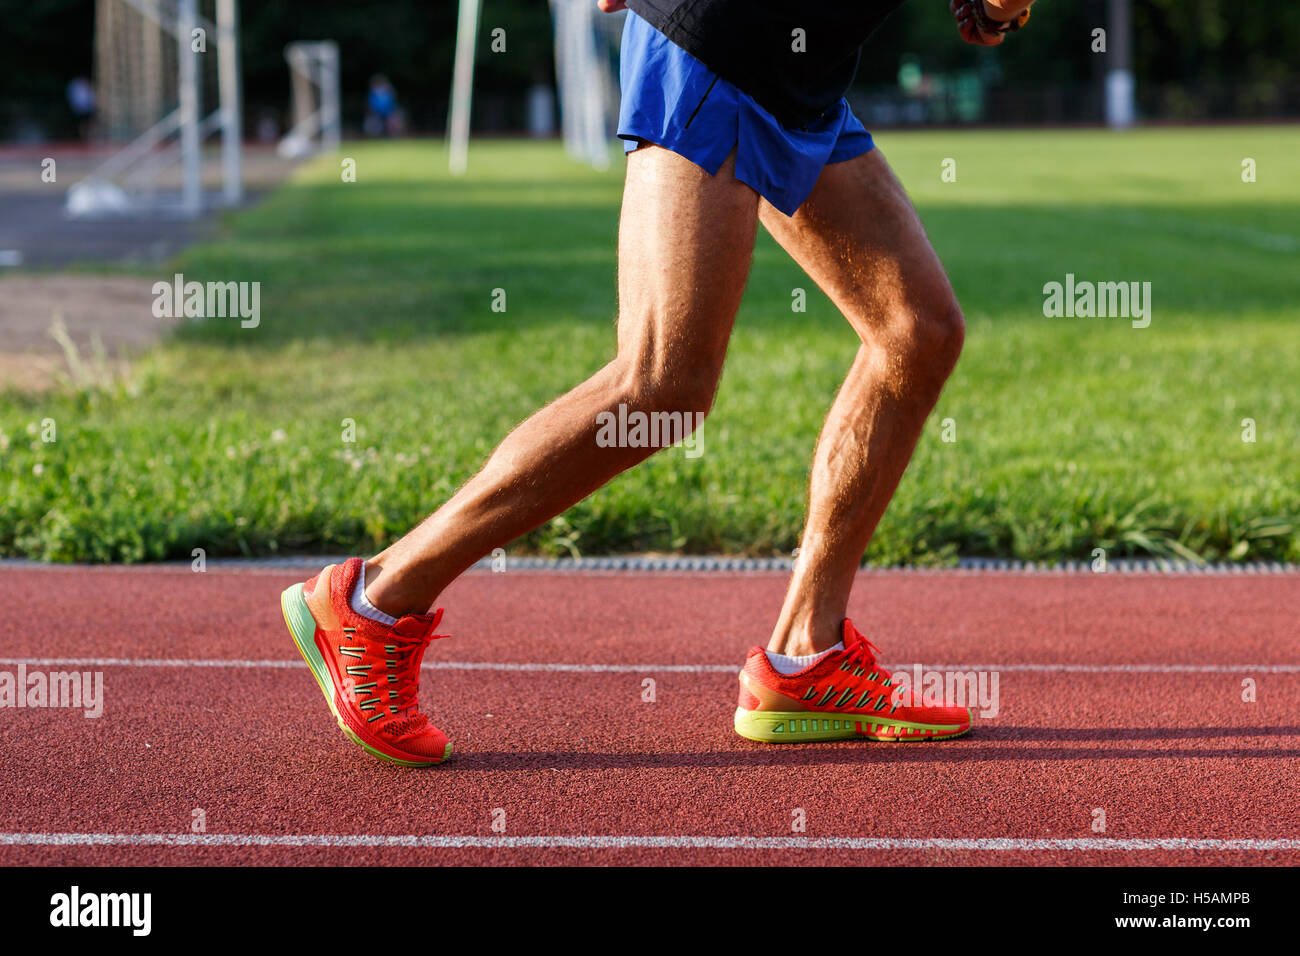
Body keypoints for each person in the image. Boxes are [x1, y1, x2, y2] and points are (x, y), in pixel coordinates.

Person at [280, 0, 1037, 766]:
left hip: (800, 74)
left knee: (916, 330)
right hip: (715, 42)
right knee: (662, 385)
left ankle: (807, 658)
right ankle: (375, 600)